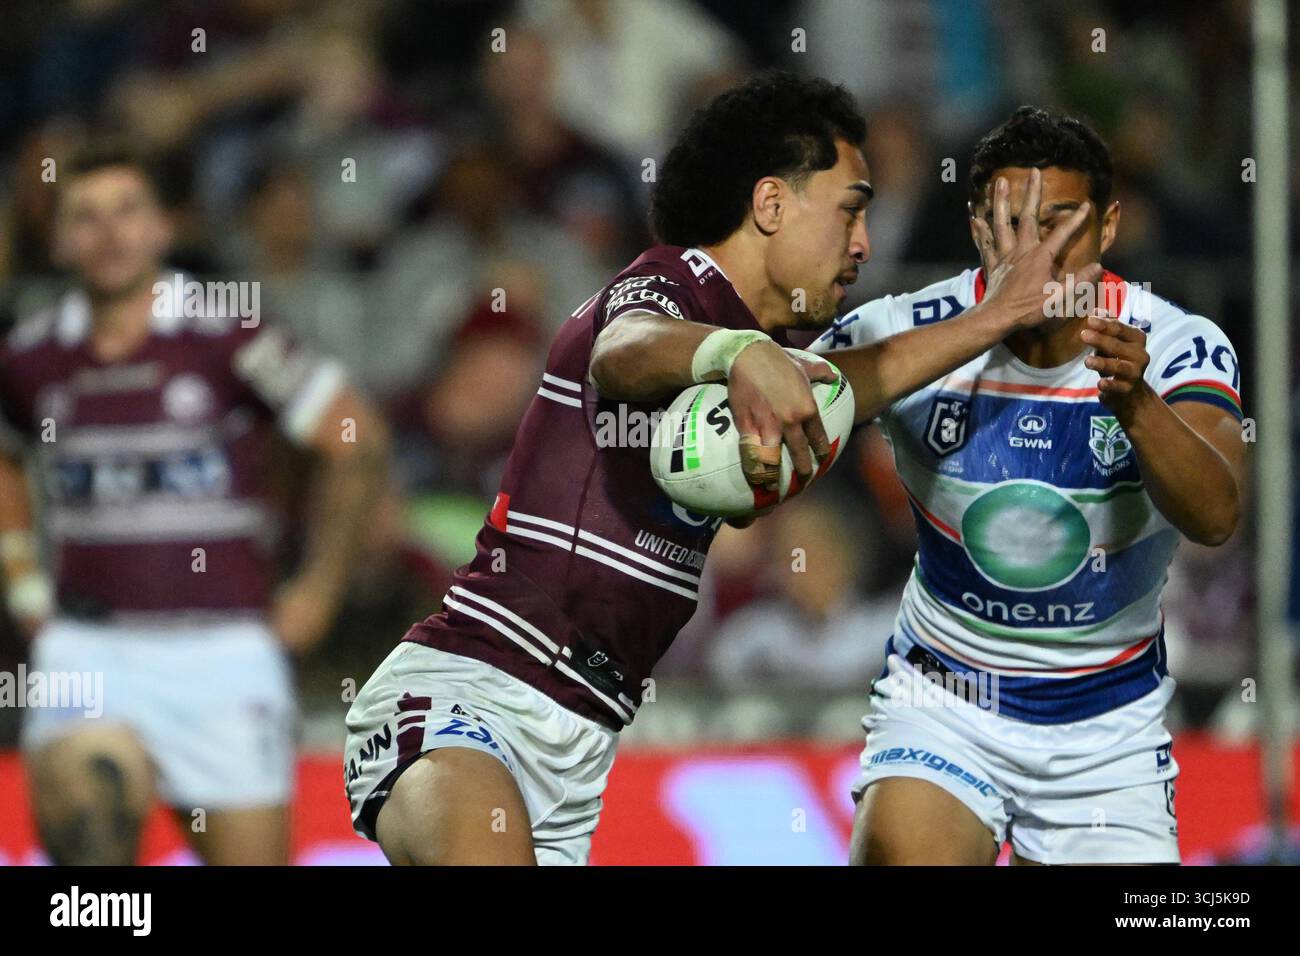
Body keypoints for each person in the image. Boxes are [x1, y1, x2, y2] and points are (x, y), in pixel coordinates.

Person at [343, 72, 1095, 865]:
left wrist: (999, 314)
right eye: (850, 207)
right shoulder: (671, 282)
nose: (864, 243)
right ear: (771, 205)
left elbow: (860, 379)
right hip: (471, 694)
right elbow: (623, 350)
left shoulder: (765, 352)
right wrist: (737, 353)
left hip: (582, 739)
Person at [812, 107, 1245, 865]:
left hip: (1105, 731)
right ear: (977, 225)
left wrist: (1138, 406)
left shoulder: (1173, 344)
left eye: (1062, 225)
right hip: (945, 702)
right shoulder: (910, 331)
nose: (1037, 251)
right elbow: (781, 407)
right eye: (1011, 222)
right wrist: (980, 328)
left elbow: (1215, 515)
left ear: (1109, 227)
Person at [0, 142, 389, 865]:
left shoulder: (227, 332)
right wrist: (22, 576)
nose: (110, 232)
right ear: (57, 239)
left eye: (128, 211)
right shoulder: (30, 355)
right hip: (89, 650)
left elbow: (355, 438)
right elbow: (7, 457)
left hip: (224, 651)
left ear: (162, 227)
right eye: (85, 217)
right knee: (92, 868)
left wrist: (318, 588)